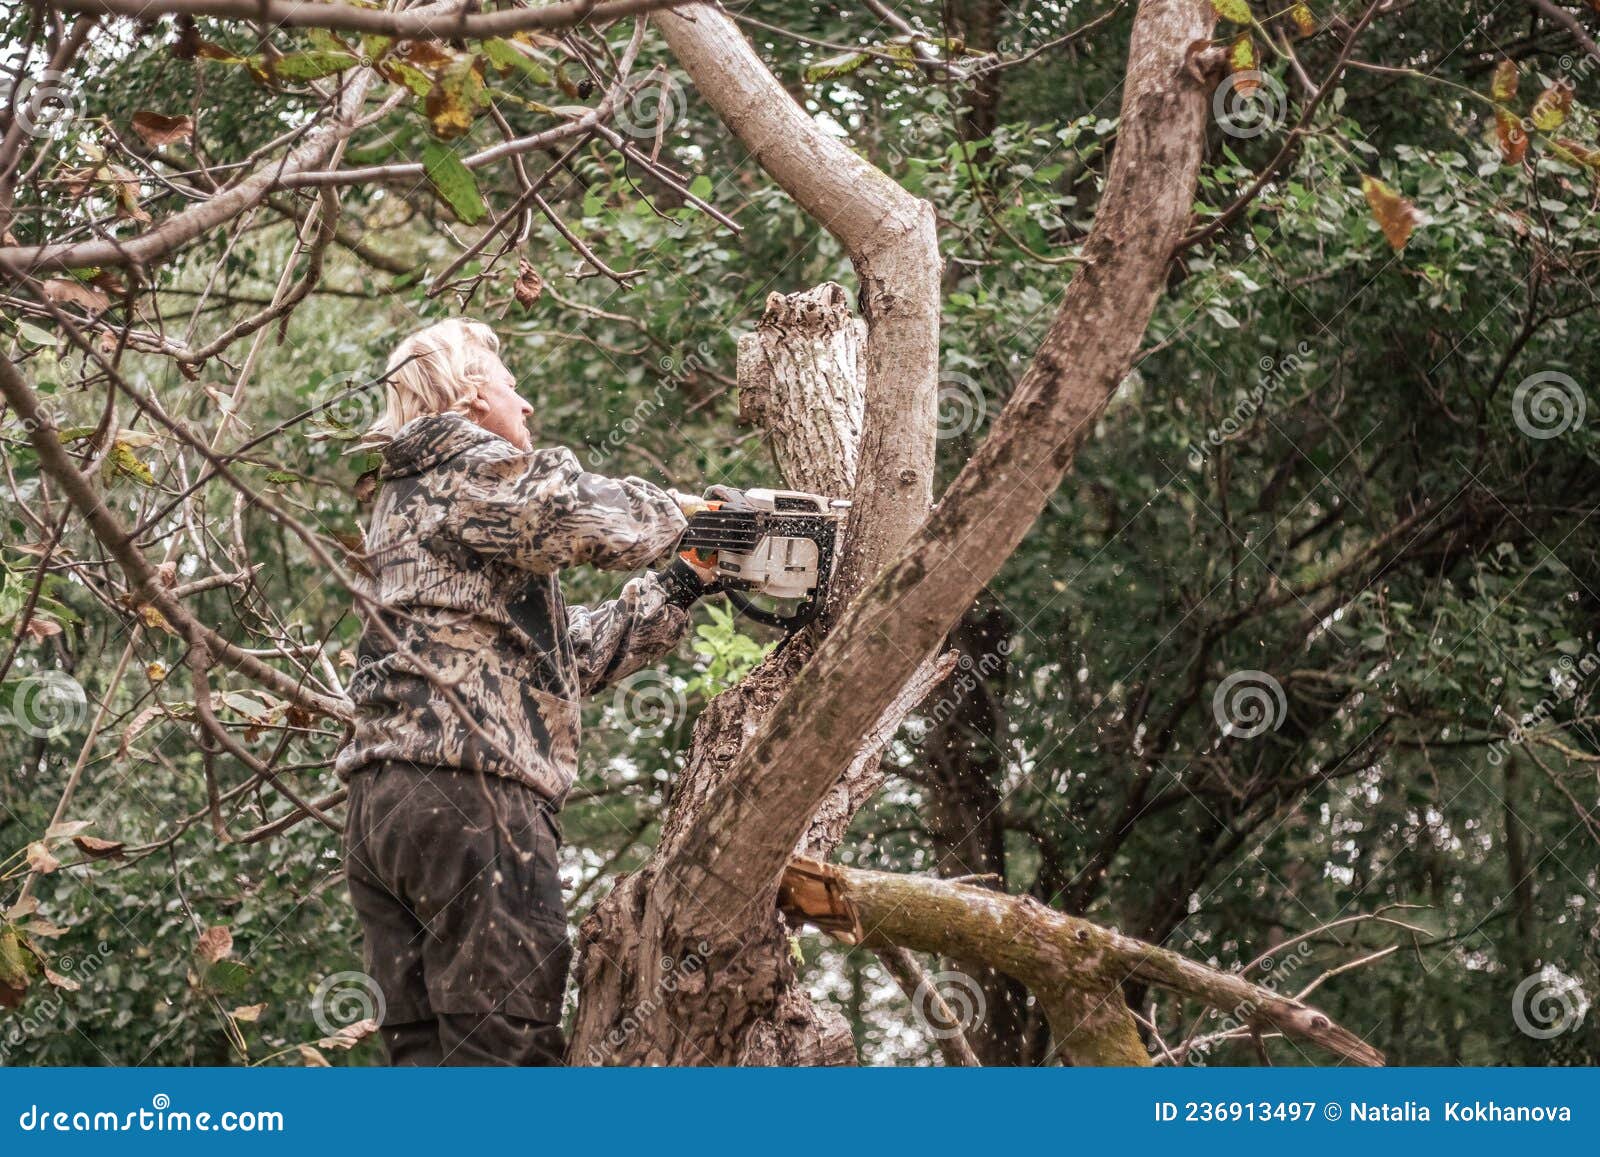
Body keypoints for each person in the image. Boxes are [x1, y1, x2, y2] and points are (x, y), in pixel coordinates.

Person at [334, 318, 717, 1065]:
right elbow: (568, 506)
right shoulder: (465, 464)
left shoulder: (403, 499)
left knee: (428, 1062)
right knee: (505, 1053)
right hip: (472, 797)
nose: (529, 407)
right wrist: (704, 515)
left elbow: (547, 657)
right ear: (471, 394)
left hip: (382, 811)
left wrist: (682, 583)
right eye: (514, 388)